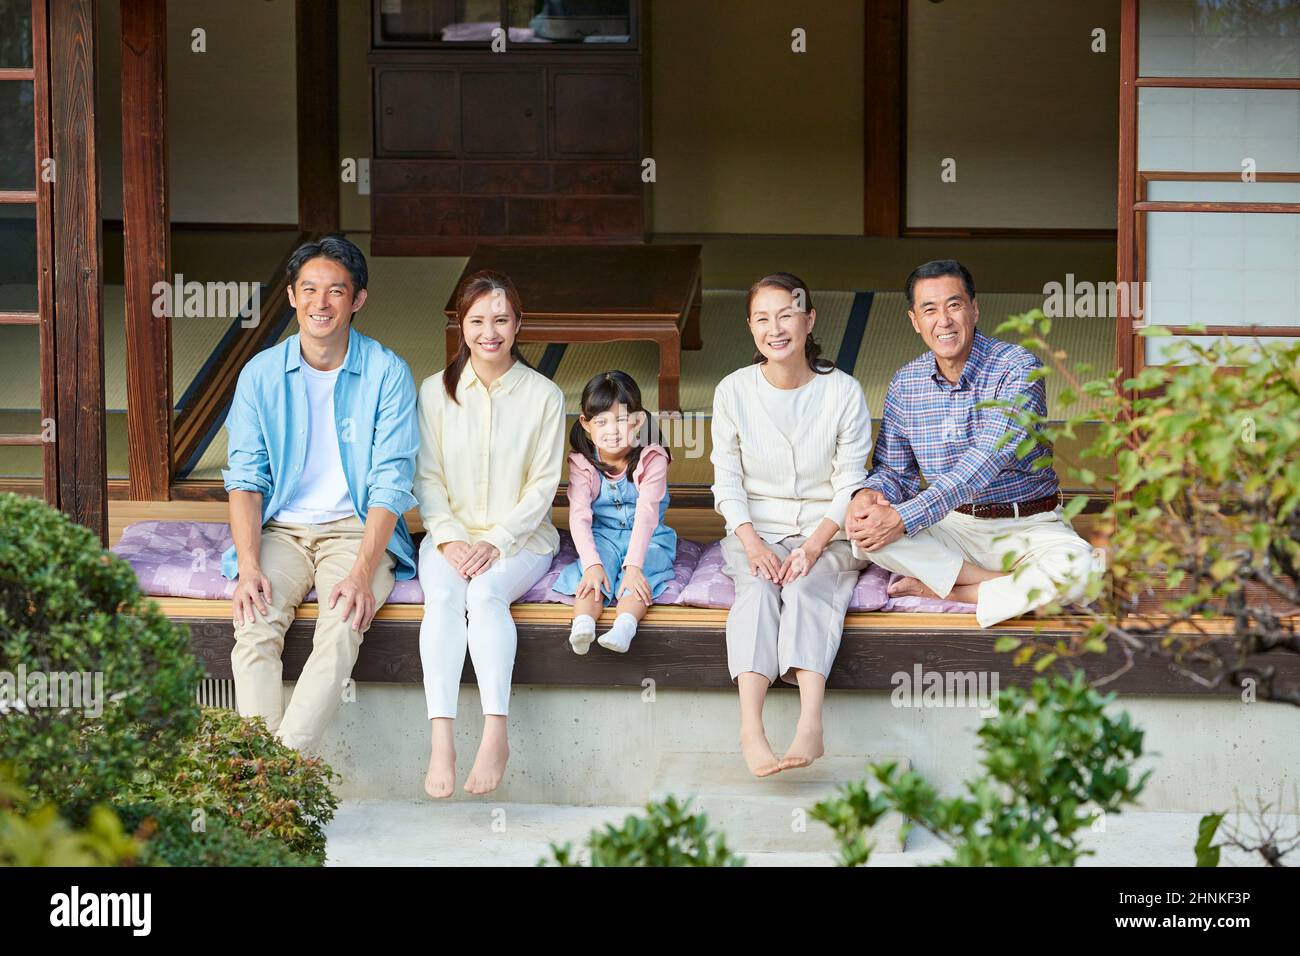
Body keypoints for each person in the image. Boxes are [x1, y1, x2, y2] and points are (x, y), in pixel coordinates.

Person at [223, 235, 418, 754]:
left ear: (357, 300)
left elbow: (391, 482)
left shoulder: (387, 373)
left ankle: (273, 777)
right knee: (254, 624)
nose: (320, 303)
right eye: (309, 289)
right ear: (291, 296)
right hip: (283, 530)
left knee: (342, 625)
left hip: (356, 529)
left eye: (336, 291)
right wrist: (248, 566)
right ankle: (266, 780)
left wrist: (361, 572)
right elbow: (244, 477)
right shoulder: (261, 374)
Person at [845, 259, 1097, 628]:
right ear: (915, 321)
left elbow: (984, 461)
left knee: (1085, 572)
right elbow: (893, 472)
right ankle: (999, 586)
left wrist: (903, 516)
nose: (943, 320)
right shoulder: (905, 383)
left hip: (1029, 525)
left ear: (974, 309)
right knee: (860, 532)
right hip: (954, 526)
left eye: (954, 305)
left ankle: (950, 590)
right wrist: (866, 497)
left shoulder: (1017, 368)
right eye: (929, 310)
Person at [710, 272, 873, 777]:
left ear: (809, 320)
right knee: (758, 593)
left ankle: (809, 723)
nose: (774, 329)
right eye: (762, 318)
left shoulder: (842, 391)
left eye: (786, 315)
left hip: (828, 530)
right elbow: (727, 483)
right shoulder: (733, 391)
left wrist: (813, 546)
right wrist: (755, 545)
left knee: (808, 587)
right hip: (754, 529)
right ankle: (751, 728)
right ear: (750, 327)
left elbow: (850, 481)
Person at [415, 270, 565, 798]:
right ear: (461, 325)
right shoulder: (434, 392)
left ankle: (496, 733)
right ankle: (442, 740)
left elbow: (543, 486)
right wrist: (451, 539)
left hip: (521, 541)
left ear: (519, 324)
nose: (489, 332)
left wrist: (494, 541)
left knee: (484, 592)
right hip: (448, 538)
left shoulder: (545, 396)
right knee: (442, 596)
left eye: (501, 319)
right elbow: (426, 476)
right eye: (477, 320)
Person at [554, 370, 677, 655]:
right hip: (603, 535)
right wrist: (592, 563)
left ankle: (624, 627)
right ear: (586, 424)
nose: (612, 430)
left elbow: (647, 513)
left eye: (621, 419)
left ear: (638, 420)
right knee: (594, 576)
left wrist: (633, 568)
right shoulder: (583, 462)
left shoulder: (652, 457)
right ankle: (583, 623)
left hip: (650, 536)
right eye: (602, 421)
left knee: (642, 576)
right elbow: (579, 516)